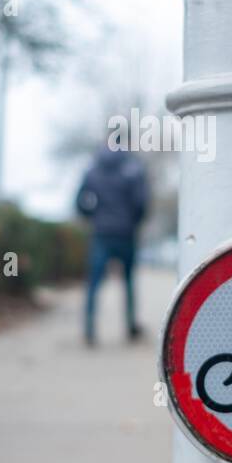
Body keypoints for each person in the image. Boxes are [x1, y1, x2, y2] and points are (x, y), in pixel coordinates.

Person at [76, 146, 149, 346]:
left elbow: (80, 201)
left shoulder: (94, 168)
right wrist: (133, 221)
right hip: (126, 232)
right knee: (128, 282)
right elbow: (141, 202)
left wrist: (94, 216)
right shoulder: (133, 168)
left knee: (94, 282)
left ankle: (89, 329)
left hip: (101, 232)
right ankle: (130, 327)